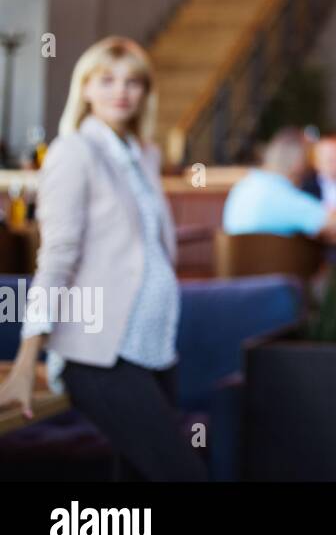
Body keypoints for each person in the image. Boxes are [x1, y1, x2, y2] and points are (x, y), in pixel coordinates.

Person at [0, 37, 207, 481]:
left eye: (133, 81)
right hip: (98, 354)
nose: (121, 91)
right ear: (86, 88)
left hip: (153, 348)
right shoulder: (74, 152)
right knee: (183, 475)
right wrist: (25, 362)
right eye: (107, 79)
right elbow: (55, 259)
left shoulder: (142, 155)